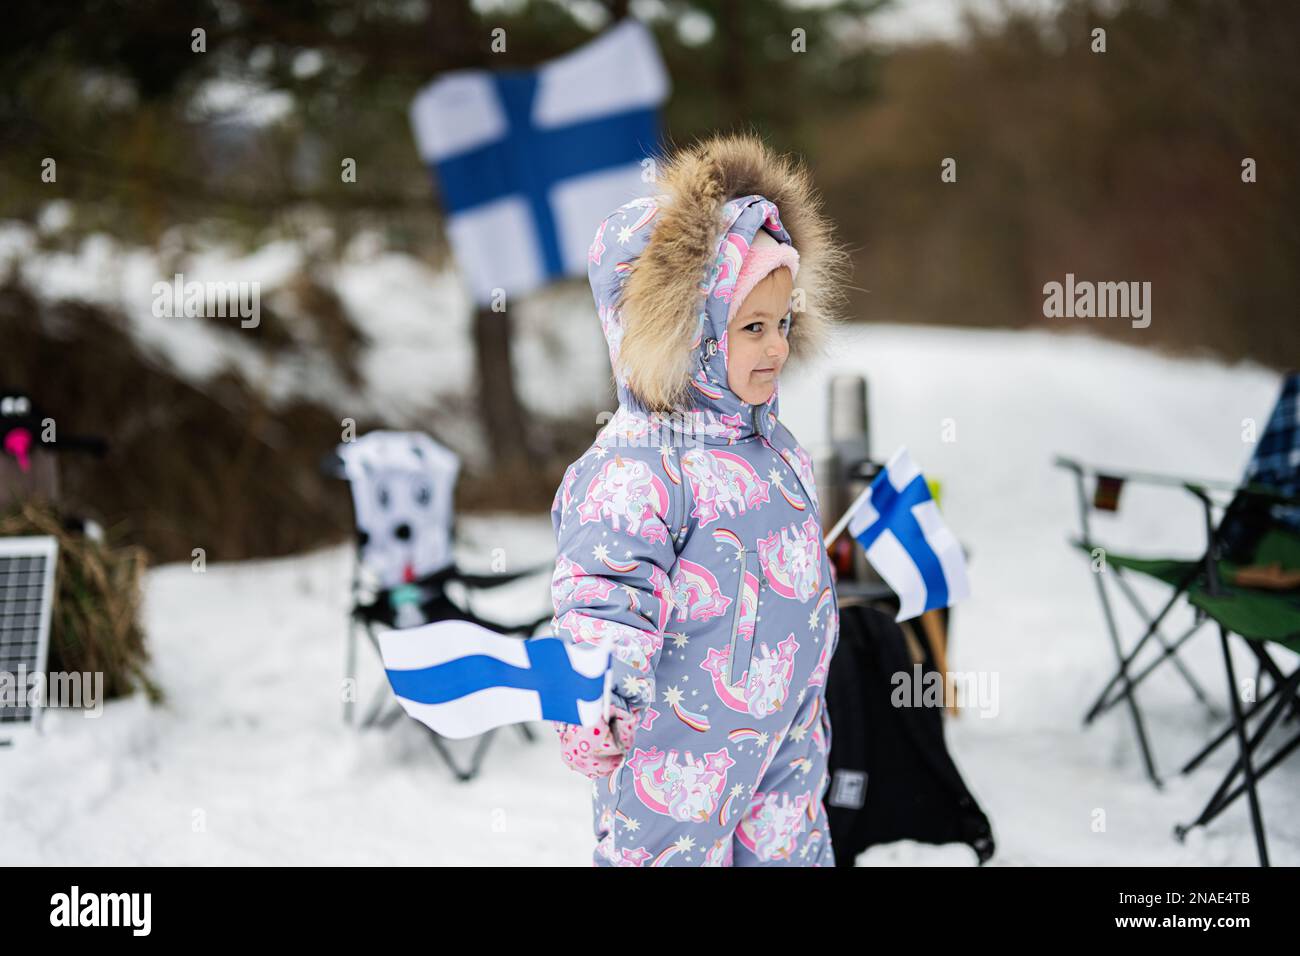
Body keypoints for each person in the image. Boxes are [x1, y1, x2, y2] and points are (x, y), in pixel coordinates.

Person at [550, 133, 848, 866]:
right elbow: (603, 595)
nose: (776, 346)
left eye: (782, 323)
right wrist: (597, 701)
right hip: (674, 763)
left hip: (786, 738)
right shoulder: (637, 470)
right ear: (691, 337)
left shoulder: (773, 447)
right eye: (752, 328)